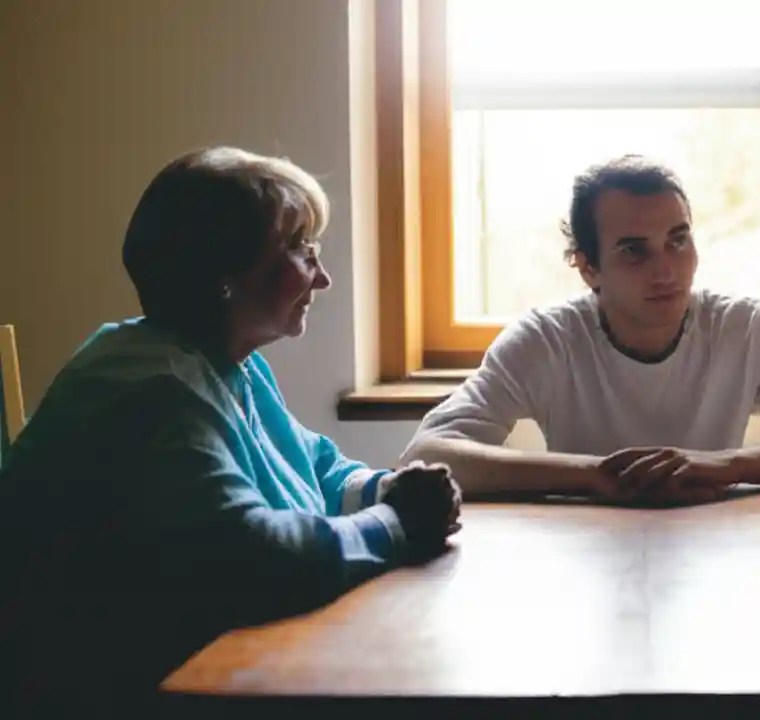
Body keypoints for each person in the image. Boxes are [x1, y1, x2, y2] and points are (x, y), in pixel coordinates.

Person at [0, 147, 462, 707]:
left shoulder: (227, 362)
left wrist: (387, 489)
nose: (323, 277)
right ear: (221, 274)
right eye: (298, 248)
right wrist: (395, 525)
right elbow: (250, 554)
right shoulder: (154, 383)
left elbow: (313, 464)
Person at [403, 156, 760, 505]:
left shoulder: (748, 328)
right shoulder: (546, 340)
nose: (666, 271)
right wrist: (595, 477)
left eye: (678, 240)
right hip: (585, 551)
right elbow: (426, 454)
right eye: (635, 251)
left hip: (719, 546)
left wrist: (725, 465)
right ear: (587, 267)